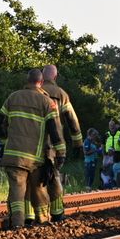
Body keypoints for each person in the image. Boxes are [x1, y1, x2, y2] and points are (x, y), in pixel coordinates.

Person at [0, 69, 64, 229]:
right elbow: (55, 130)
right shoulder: (46, 102)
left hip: (14, 156)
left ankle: (17, 225)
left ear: (27, 81)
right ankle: (42, 221)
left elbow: (0, 123)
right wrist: (60, 153)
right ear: (41, 82)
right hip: (36, 158)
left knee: (17, 193)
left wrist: (4, 143)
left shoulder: (13, 97)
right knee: (39, 190)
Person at [41, 64, 82, 221]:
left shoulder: (33, 92)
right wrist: (78, 144)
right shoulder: (61, 94)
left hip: (33, 143)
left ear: (42, 76)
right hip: (55, 144)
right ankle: (57, 213)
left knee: (34, 178)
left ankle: (37, 214)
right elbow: (73, 121)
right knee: (54, 176)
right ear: (55, 77)